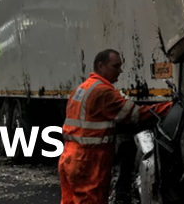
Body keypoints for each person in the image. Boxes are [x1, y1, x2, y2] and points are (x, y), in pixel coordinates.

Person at [59, 49, 172, 204]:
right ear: (101, 66)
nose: (120, 71)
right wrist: (170, 108)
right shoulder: (102, 92)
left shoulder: (82, 88)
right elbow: (136, 114)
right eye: (115, 66)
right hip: (88, 160)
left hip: (70, 157)